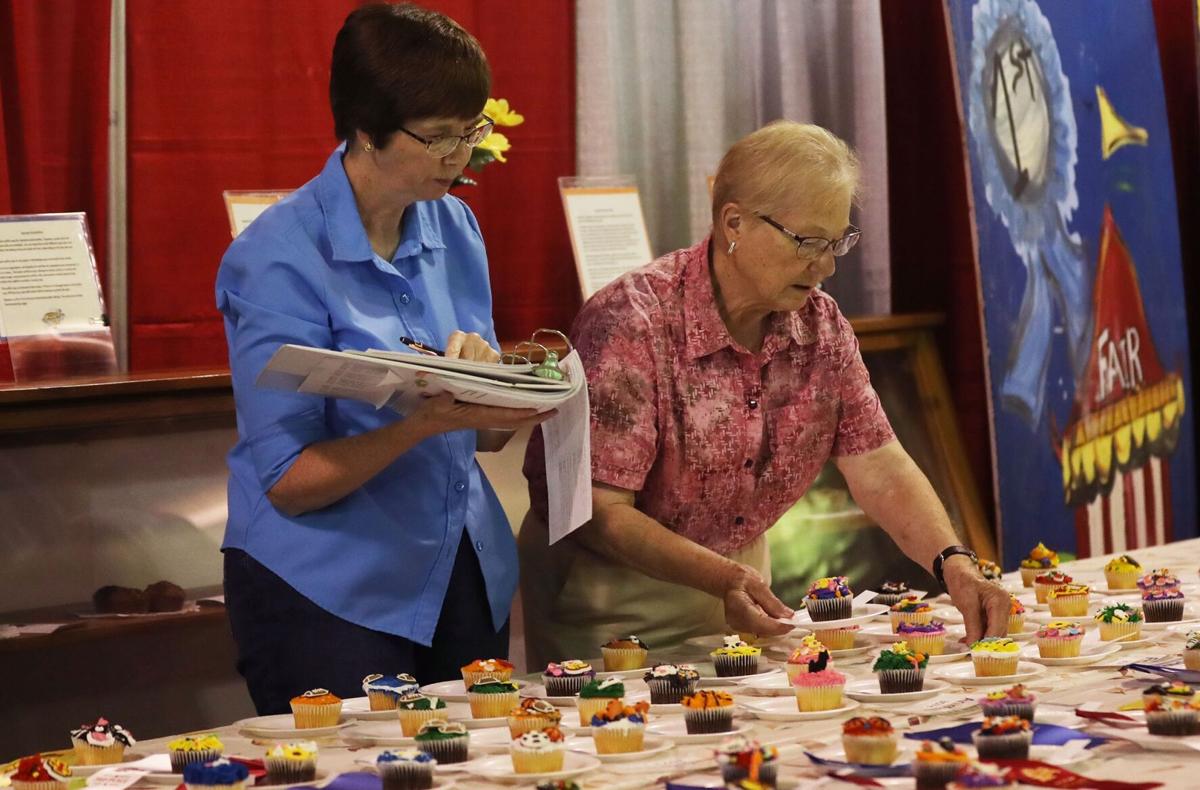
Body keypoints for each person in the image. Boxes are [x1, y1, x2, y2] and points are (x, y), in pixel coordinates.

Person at [520, 121, 1009, 667]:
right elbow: (602, 511)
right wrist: (722, 576)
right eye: (807, 242)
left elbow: (878, 463)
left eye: (837, 243)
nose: (825, 266)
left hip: (742, 592)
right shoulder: (633, 320)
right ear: (734, 222)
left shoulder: (820, 326)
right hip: (612, 604)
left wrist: (954, 562)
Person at [215, 3, 546, 714]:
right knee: (361, 763)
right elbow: (289, 482)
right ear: (366, 129)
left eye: (471, 131)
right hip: (328, 587)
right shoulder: (277, 258)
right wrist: (423, 423)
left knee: (485, 758)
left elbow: (483, 436)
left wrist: (502, 390)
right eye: (438, 138)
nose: (460, 156)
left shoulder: (454, 225)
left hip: (459, 566)